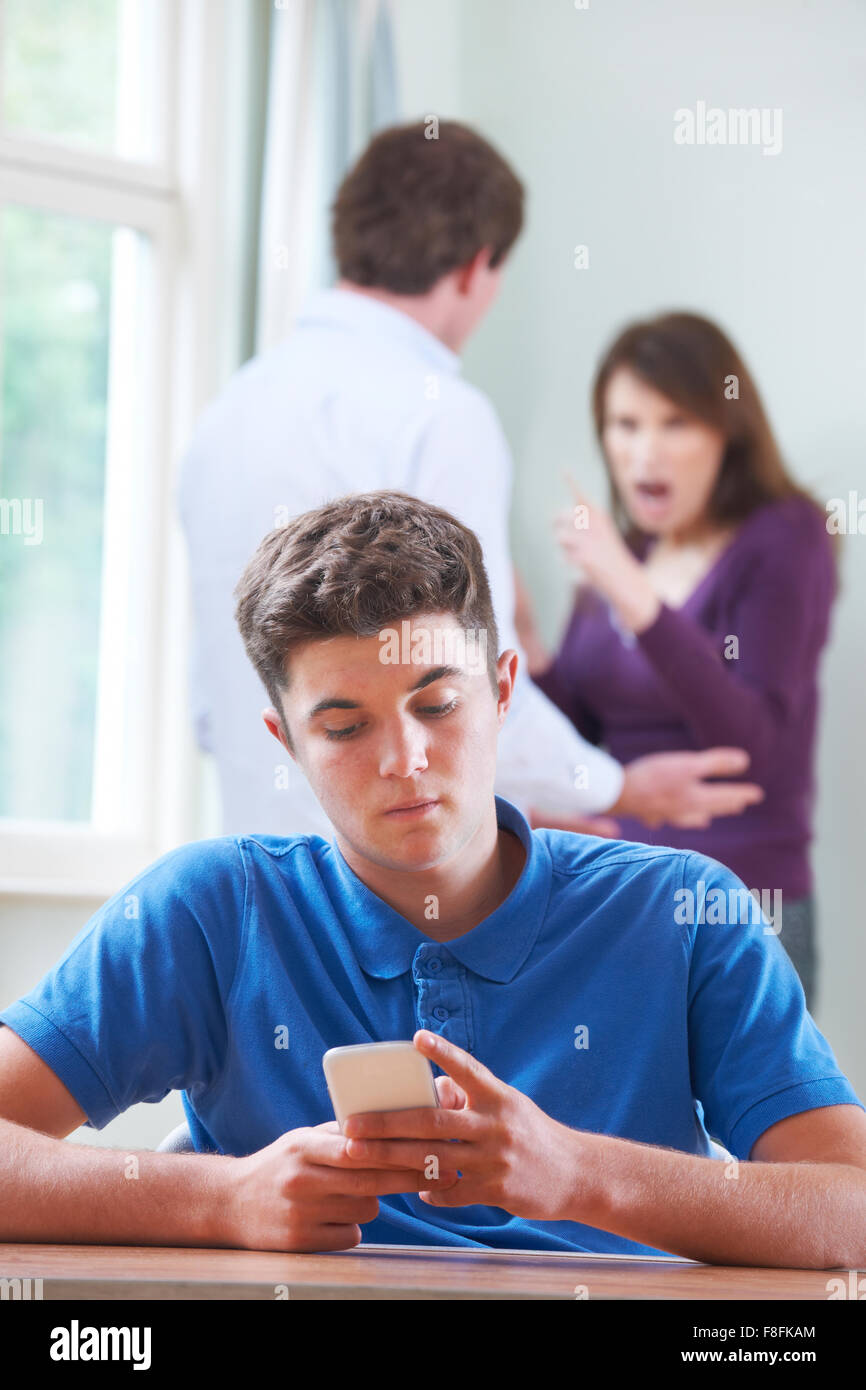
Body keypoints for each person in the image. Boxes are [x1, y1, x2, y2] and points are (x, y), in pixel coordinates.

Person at [1, 491, 864, 1265]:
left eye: (438, 706)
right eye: (344, 728)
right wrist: (221, 1200)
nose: (404, 762)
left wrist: (575, 1174)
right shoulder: (211, 909)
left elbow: (851, 1207)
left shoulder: (684, 911)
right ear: (287, 743)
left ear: (502, 692)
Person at [177, 119, 761, 841]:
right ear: (475, 266)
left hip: (263, 873)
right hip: (399, 873)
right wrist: (619, 787)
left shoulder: (228, 413)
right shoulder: (441, 415)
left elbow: (209, 708)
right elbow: (463, 676)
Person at [521, 312, 838, 1009]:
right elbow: (584, 735)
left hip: (744, 902)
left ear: (726, 433)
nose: (645, 453)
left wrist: (631, 594)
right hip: (618, 890)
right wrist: (531, 643)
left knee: (744, 1122)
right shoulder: (628, 552)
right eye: (625, 424)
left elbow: (748, 738)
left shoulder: (786, 537)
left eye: (675, 424)